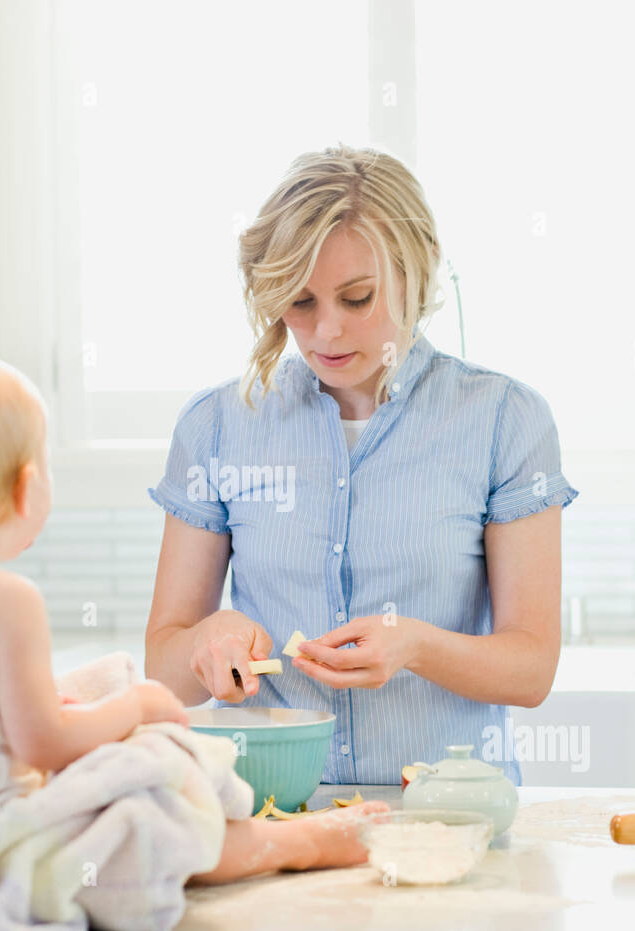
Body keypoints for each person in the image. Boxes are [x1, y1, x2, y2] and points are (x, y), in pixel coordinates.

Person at [0, 351, 388, 918]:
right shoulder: (5, 599)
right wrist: (137, 704)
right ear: (26, 488)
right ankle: (299, 843)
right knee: (149, 815)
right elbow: (43, 745)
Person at [145, 146, 579, 786]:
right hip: (275, 816)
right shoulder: (217, 426)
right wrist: (211, 640)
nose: (325, 332)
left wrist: (416, 647)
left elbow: (531, 668)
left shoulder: (503, 420)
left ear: (416, 274)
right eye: (299, 302)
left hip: (449, 814)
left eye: (357, 299)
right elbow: (163, 671)